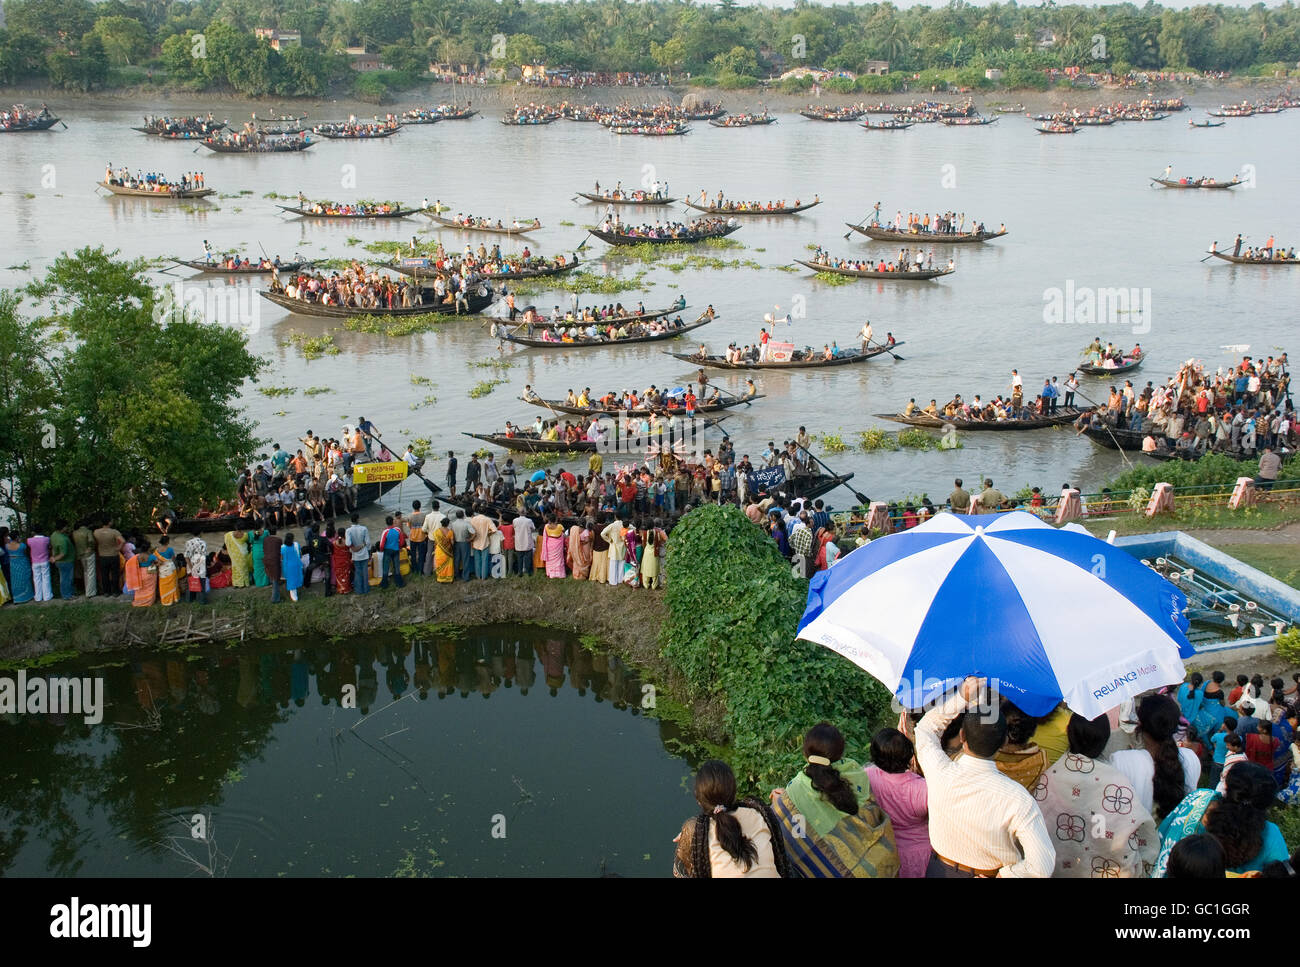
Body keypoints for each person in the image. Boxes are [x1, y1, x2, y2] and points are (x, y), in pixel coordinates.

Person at [914, 678, 1055, 877]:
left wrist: (962, 696)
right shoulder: (1018, 799)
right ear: (1003, 742)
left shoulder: (939, 771)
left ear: (962, 736)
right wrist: (1005, 875)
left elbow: (925, 729)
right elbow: (1041, 867)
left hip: (938, 870)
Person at [1035, 712, 1160, 878]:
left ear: (1068, 731)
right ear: (1106, 738)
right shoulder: (1118, 784)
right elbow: (1142, 833)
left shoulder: (1048, 778)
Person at [768, 722, 900, 878]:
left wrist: (780, 800)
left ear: (805, 753)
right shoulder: (854, 771)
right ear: (841, 752)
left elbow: (785, 826)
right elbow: (870, 812)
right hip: (876, 865)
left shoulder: (794, 790)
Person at [1152, 762, 1289, 877]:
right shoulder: (1272, 836)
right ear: (1266, 803)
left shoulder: (1198, 801)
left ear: (1227, 787)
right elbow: (1282, 873)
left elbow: (1163, 836)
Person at [673, 760, 791, 878]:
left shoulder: (697, 831)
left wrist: (689, 837)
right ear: (734, 792)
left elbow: (679, 872)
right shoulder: (758, 811)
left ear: (699, 800)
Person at [1112, 694, 1201, 819]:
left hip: (1141, 835)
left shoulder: (1122, 761)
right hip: (1177, 835)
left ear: (1140, 724)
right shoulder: (1190, 758)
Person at [865, 727, 930, 878]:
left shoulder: (868, 775)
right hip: (919, 854)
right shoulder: (923, 788)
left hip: (885, 849)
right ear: (909, 754)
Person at [93, 518, 124, 598]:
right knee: (115, 574)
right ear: (109, 522)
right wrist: (118, 548)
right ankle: (115, 591)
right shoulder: (114, 532)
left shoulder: (96, 532)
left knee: (104, 574)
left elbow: (94, 542)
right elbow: (123, 541)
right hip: (113, 555)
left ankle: (106, 592)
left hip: (102, 555)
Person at [345, 513, 370, 595]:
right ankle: (366, 590)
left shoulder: (348, 530)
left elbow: (348, 543)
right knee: (365, 572)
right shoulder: (364, 529)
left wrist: (354, 547)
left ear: (351, 521)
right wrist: (363, 545)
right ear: (358, 519)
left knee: (358, 573)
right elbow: (368, 542)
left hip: (355, 555)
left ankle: (359, 590)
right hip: (364, 554)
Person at [378, 515, 405, 590]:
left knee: (386, 566)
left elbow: (382, 544)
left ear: (386, 523)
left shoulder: (385, 531)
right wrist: (398, 546)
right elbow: (402, 541)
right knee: (397, 566)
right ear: (393, 522)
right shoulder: (398, 530)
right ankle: (399, 582)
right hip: (396, 550)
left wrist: (382, 550)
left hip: (387, 551)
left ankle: (384, 583)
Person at [280, 532, 304, 601]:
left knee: (291, 580)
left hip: (288, 566)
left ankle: (294, 597)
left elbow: (281, 558)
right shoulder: (296, 544)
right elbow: (301, 554)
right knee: (296, 577)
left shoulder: (282, 547)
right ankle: (296, 589)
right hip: (297, 565)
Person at [431, 517, 455, 583]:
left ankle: (441, 578)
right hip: (448, 551)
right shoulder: (450, 532)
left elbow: (435, 542)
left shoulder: (437, 531)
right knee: (448, 564)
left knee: (440, 563)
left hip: (439, 550)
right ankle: (448, 578)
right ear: (448, 524)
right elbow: (452, 542)